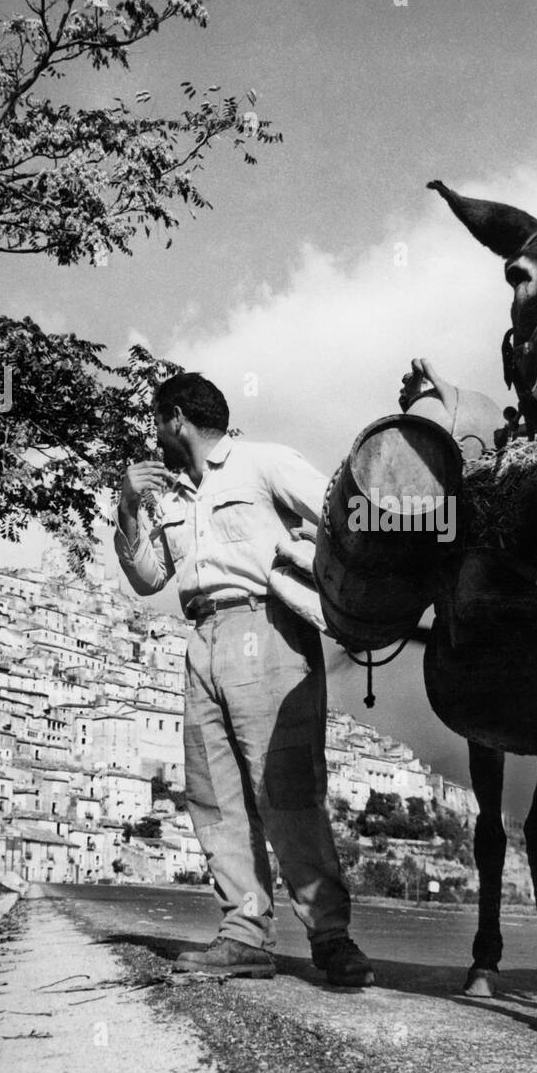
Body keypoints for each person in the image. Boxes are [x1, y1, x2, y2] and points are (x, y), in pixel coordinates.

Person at [115, 372, 374, 987]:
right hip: (200, 637)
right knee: (214, 794)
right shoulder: (171, 498)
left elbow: (346, 518)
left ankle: (332, 937)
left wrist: (330, 576)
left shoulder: (263, 463)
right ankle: (243, 934)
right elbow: (150, 579)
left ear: (176, 418)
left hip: (269, 629)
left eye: (156, 421)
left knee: (283, 786)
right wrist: (127, 509)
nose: (154, 435)